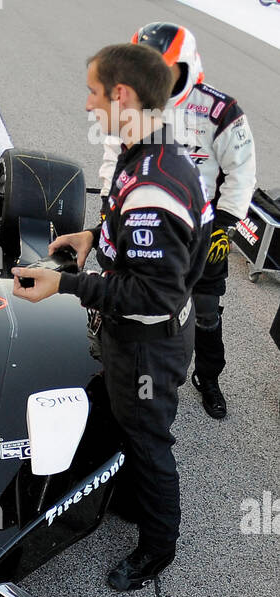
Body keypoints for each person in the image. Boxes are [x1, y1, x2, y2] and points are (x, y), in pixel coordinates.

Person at [13, 43, 211, 592]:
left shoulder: (153, 186)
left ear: (121, 95)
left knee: (149, 442)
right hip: (140, 335)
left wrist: (65, 284)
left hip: (149, 343)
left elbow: (151, 295)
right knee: (124, 418)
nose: (87, 104)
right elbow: (127, 229)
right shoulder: (148, 147)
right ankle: (124, 491)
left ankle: (157, 548)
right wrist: (92, 238)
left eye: (93, 92)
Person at [99, 23, 256, 420]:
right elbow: (112, 159)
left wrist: (226, 224)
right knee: (131, 295)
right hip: (145, 220)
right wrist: (107, 205)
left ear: (187, 67)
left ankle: (208, 376)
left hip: (202, 228)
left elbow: (242, 172)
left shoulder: (222, 110)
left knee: (206, 309)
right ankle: (121, 368)